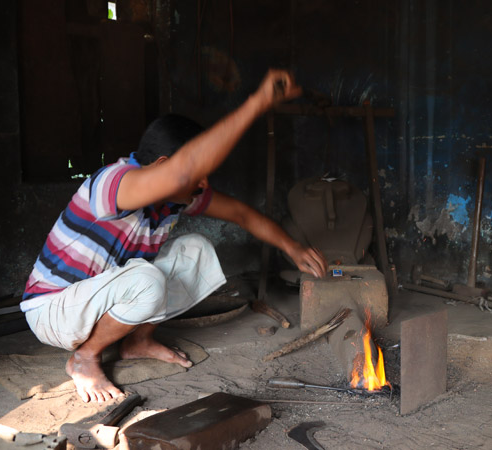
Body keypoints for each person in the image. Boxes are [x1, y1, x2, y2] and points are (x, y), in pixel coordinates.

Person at [21, 69, 328, 403]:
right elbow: (183, 172)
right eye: (199, 175)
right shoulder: (114, 183)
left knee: (195, 250)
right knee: (147, 279)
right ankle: (84, 358)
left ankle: (136, 342)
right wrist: (257, 103)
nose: (204, 184)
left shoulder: (175, 199)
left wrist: (292, 247)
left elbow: (241, 213)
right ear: (163, 165)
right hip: (53, 310)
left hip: (94, 298)